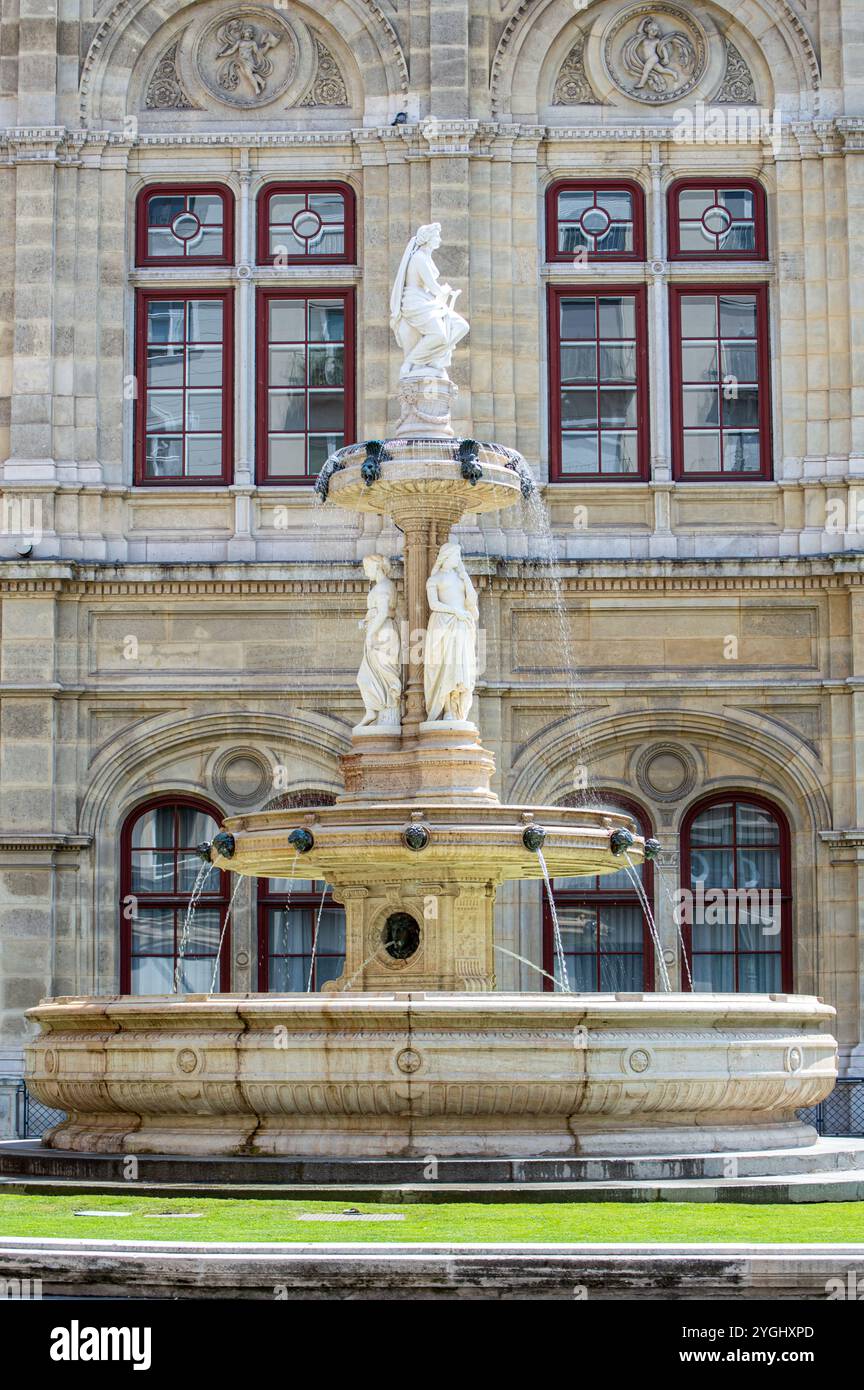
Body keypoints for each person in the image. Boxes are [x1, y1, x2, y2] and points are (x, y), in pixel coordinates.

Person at [389, 224, 469, 378]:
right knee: (439, 335)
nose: (439, 239)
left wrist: (446, 292)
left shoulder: (426, 257)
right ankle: (411, 361)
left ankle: (434, 359)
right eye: (437, 236)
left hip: (427, 301)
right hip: (415, 302)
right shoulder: (419, 257)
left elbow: (432, 288)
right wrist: (445, 291)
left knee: (461, 326)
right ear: (428, 239)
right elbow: (433, 286)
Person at [424, 542, 479, 723]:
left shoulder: (460, 578)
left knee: (460, 666)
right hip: (443, 623)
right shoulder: (434, 579)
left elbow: (471, 599)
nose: (458, 559)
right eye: (456, 556)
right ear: (446, 557)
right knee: (445, 666)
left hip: (462, 624)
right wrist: (456, 612)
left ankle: (456, 709)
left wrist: (466, 578)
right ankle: (447, 709)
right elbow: (433, 604)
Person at [355, 555, 402, 730]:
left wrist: (370, 634)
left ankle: (381, 708)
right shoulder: (383, 586)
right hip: (379, 631)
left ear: (376, 567)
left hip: (382, 634)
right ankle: (372, 710)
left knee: (377, 674)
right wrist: (367, 621)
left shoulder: (383, 587)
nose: (366, 572)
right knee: (372, 674)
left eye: (367, 568)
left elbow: (383, 613)